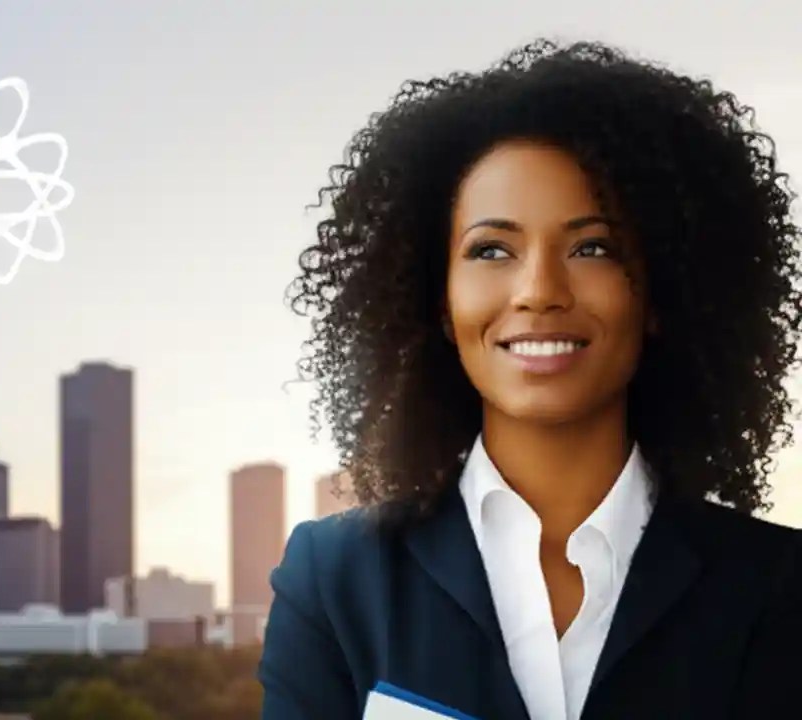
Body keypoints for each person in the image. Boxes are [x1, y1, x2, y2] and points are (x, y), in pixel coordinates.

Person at [262, 39, 802, 720]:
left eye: (592, 247)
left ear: (660, 293)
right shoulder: (335, 578)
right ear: (438, 297)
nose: (539, 290)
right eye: (491, 250)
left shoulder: (777, 586)